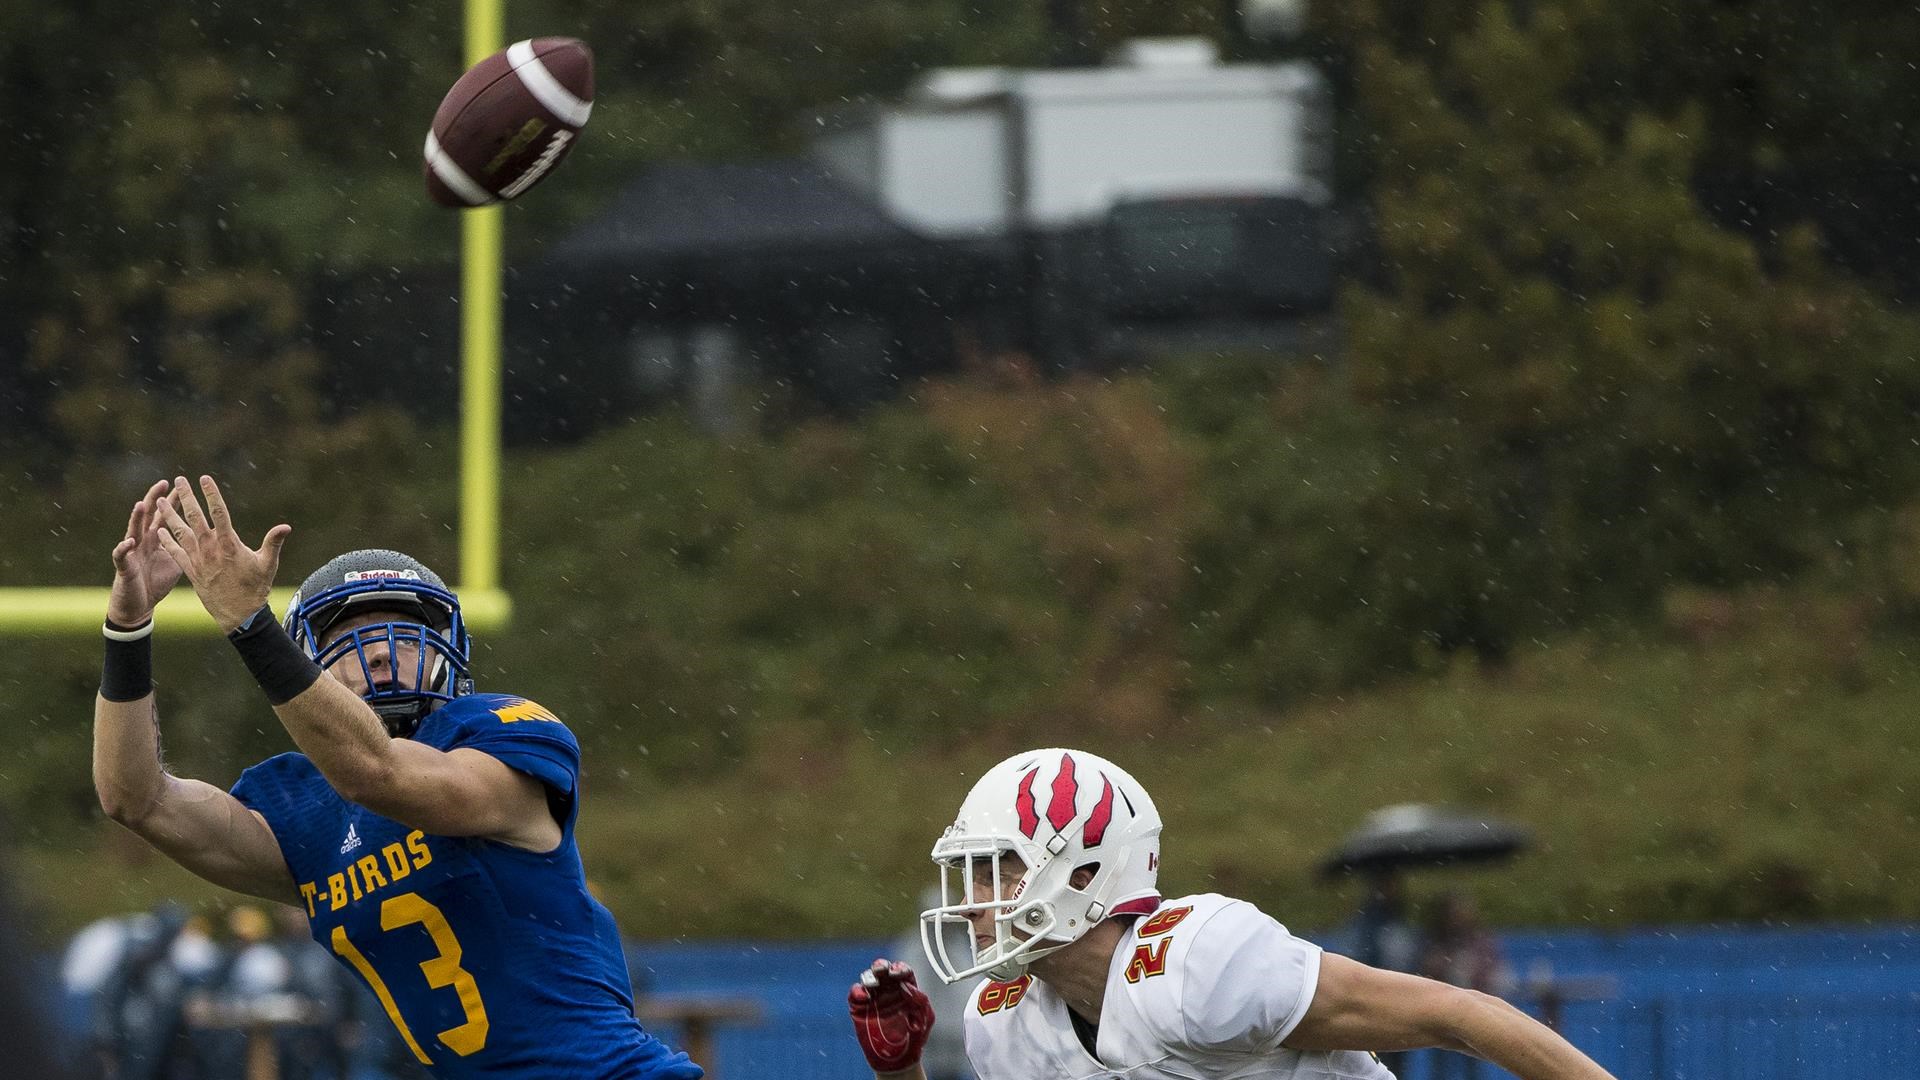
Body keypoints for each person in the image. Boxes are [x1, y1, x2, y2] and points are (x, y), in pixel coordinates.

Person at [93, 475, 704, 1079]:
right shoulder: (305, 808)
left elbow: (379, 774)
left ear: (447, 650)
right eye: (349, 637)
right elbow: (135, 799)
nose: (379, 652)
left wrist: (251, 624)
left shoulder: (501, 733)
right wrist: (128, 628)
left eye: (402, 634)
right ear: (307, 664)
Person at [846, 748, 1618, 1080]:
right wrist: (904, 1072)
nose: (974, 900)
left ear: (1084, 873)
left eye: (999, 869)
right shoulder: (1005, 1021)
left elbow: (1461, 1013)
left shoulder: (1198, 964)